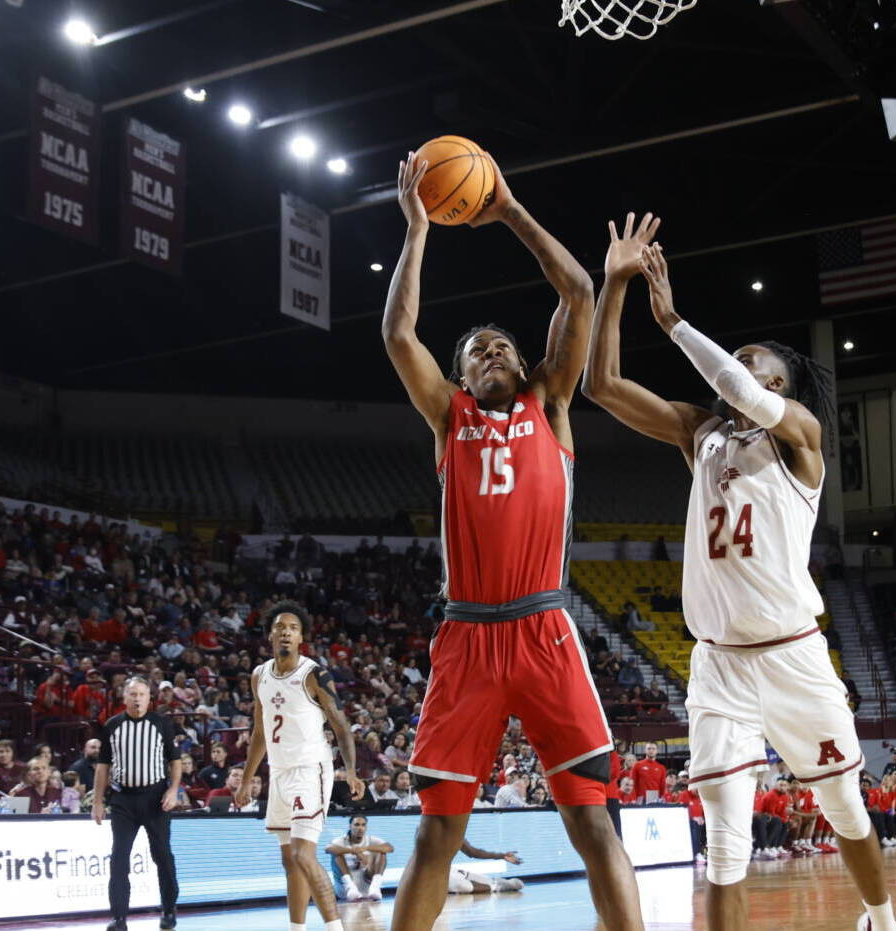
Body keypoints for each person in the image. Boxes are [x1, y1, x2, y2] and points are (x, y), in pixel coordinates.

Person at [580, 224, 896, 931]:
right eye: (738, 362)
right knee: (724, 843)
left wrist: (672, 322)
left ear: (778, 387)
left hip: (793, 654)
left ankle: (881, 916)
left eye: (753, 365)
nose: (735, 372)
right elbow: (598, 384)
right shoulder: (703, 435)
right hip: (719, 665)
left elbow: (733, 384)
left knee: (843, 805)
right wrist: (617, 283)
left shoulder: (802, 440)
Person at [381, 152, 639, 931]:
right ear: (461, 379)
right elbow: (398, 332)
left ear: (523, 362)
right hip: (466, 640)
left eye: (500, 346)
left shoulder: (551, 403)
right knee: (436, 833)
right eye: (475, 353)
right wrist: (418, 230)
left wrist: (510, 209)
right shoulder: (448, 419)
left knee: (592, 821)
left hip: (545, 631)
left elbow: (581, 290)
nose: (491, 354)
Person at [232, 603, 363, 931]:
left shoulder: (313, 673)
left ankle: (336, 928)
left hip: (310, 770)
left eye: (293, 627)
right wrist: (246, 780)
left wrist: (351, 770)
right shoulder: (259, 675)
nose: (286, 632)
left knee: (304, 855)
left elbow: (341, 725)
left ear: (301, 637)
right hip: (278, 773)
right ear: (270, 635)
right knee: (290, 861)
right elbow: (260, 732)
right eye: (280, 627)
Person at [94, 677, 186, 931]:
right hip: (123, 799)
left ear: (149, 697)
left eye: (142, 694)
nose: (137, 698)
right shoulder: (112, 726)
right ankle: (119, 917)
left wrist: (173, 789)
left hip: (155, 798)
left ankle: (168, 909)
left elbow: (175, 760)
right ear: (124, 697)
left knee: (163, 857)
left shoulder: (161, 724)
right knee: (119, 859)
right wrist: (98, 801)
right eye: (132, 694)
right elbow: (103, 767)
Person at [326, 815, 394, 903]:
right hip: (346, 889)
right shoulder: (340, 840)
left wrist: (364, 849)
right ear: (350, 826)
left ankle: (375, 886)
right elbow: (328, 848)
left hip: (367, 884)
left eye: (363, 825)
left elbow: (389, 848)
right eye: (357, 825)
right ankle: (350, 886)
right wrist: (352, 850)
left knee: (381, 852)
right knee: (337, 853)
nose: (360, 828)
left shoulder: (371, 840)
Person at [446, 840, 525, 894]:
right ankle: (496, 887)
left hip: (450, 872)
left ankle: (494, 882)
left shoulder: (452, 830)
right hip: (436, 877)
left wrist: (502, 856)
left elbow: (472, 852)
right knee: (463, 886)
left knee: (519, 884)